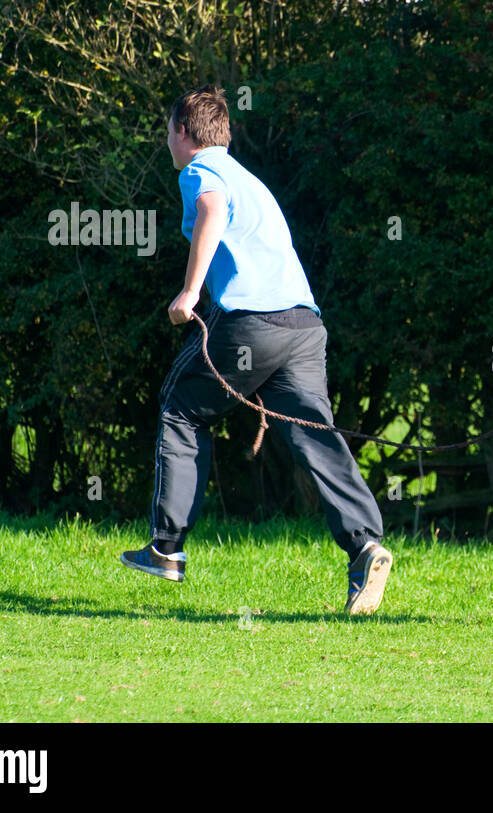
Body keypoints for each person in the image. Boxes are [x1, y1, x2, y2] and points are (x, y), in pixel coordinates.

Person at [119, 85, 392, 615]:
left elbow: (211, 213)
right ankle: (364, 546)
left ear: (182, 132)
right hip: (304, 324)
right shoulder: (249, 178)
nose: (166, 141)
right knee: (314, 434)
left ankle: (167, 548)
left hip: (254, 323)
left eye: (167, 130)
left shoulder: (201, 172)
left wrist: (191, 290)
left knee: (181, 407)